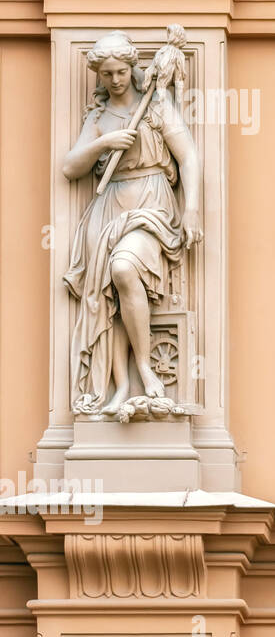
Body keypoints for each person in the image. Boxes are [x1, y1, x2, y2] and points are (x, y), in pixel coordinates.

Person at [63, 30, 202, 414]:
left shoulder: (156, 105)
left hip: (151, 202)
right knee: (106, 300)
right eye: (107, 74)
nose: (115, 80)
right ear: (99, 76)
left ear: (132, 68)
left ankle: (144, 365)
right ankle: (121, 384)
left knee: (124, 268)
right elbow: (70, 167)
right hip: (108, 209)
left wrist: (191, 208)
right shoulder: (98, 118)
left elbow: (188, 156)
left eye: (121, 71)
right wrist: (104, 144)